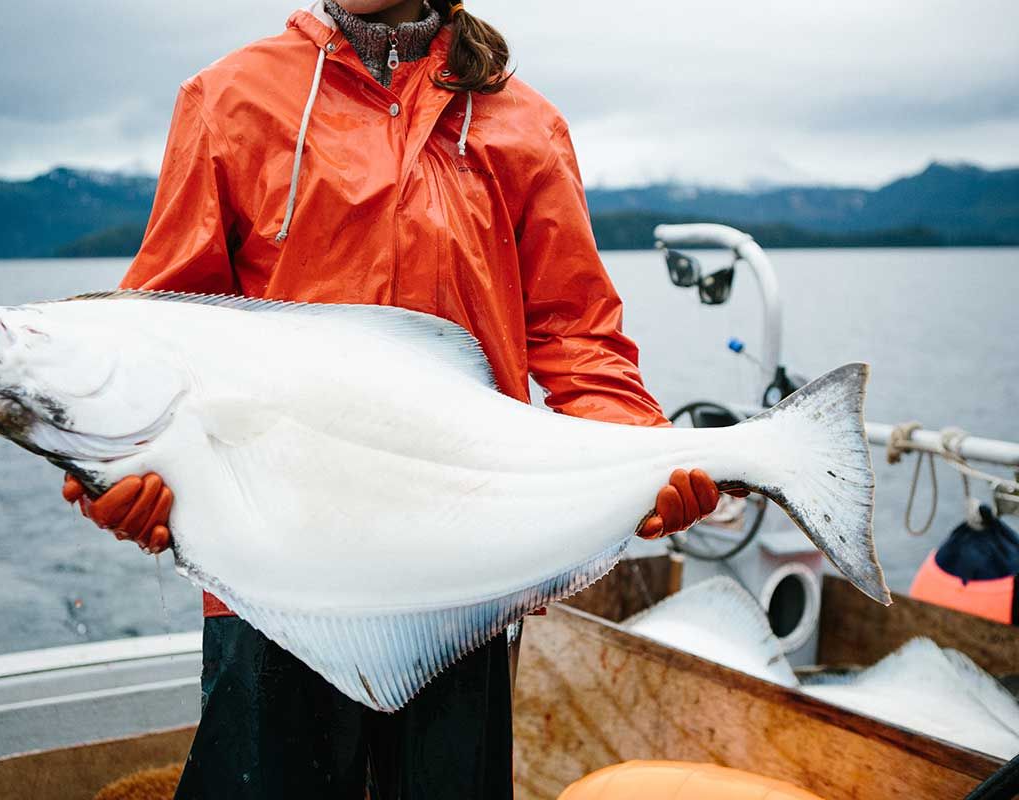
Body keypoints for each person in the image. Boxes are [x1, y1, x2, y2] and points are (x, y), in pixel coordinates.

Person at [61, 1, 734, 797]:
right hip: (275, 580)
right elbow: (159, 332)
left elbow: (575, 330)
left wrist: (646, 451)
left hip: (462, 575)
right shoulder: (228, 99)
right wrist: (122, 470)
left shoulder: (526, 124)